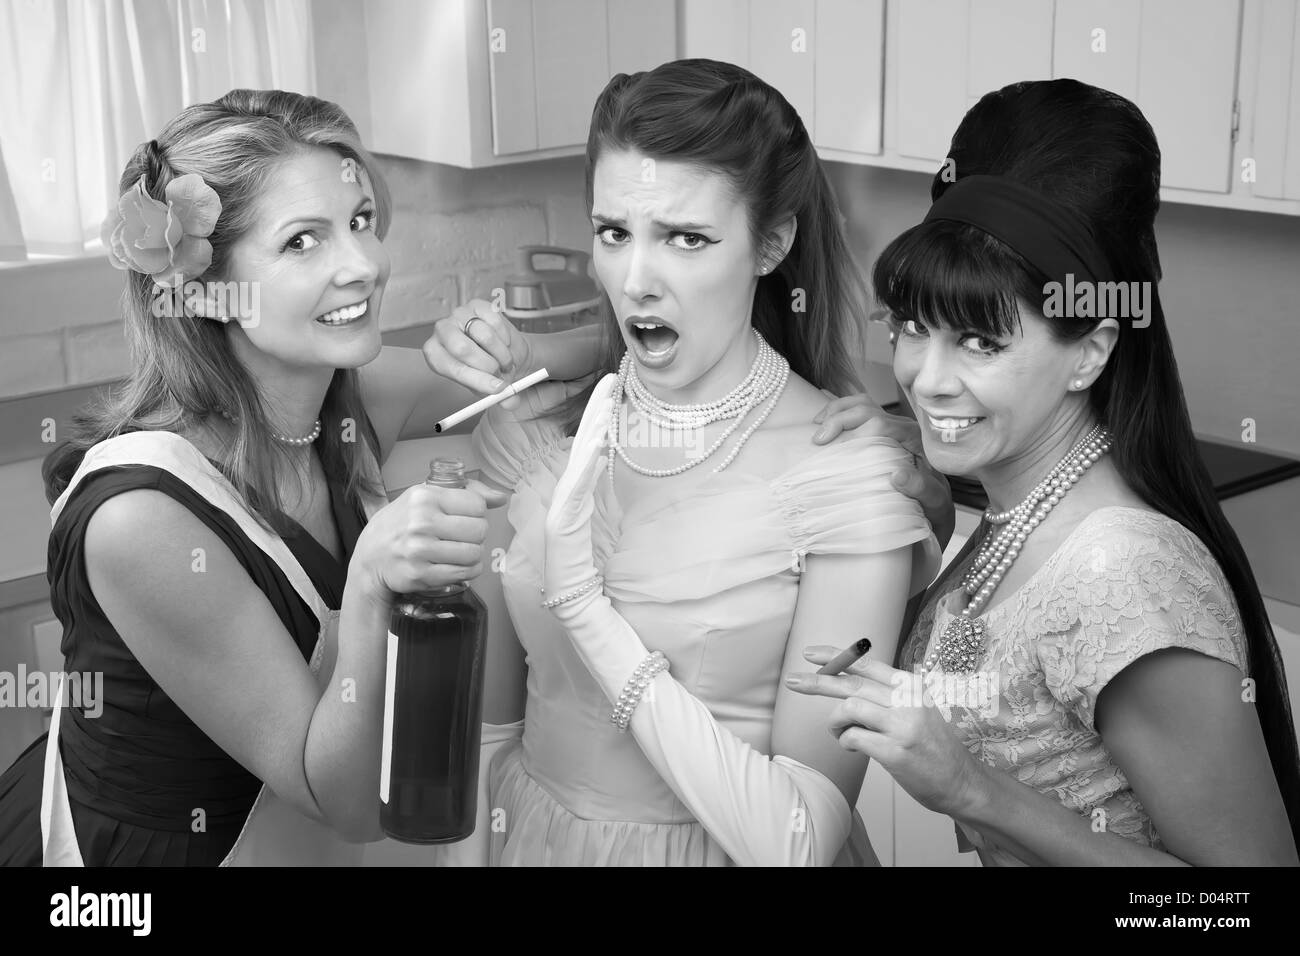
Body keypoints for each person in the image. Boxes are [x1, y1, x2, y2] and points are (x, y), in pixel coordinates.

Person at [0, 89, 603, 867]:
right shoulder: (143, 522)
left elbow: (570, 364)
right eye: (302, 242)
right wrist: (375, 586)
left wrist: (531, 350)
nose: (363, 265)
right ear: (206, 289)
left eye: (358, 223)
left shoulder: (346, 402)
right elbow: (344, 804)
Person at [788, 78, 1300, 865]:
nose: (925, 379)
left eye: (982, 343)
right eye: (914, 327)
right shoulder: (1014, 512)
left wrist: (973, 792)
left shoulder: (1121, 575)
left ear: (1090, 350)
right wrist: (924, 515)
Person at [452, 58, 945, 867]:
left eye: (686, 238)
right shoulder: (542, 442)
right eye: (614, 233)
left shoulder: (849, 481)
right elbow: (494, 728)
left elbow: (800, 841)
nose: (637, 280)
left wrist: (584, 602)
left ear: (771, 244)